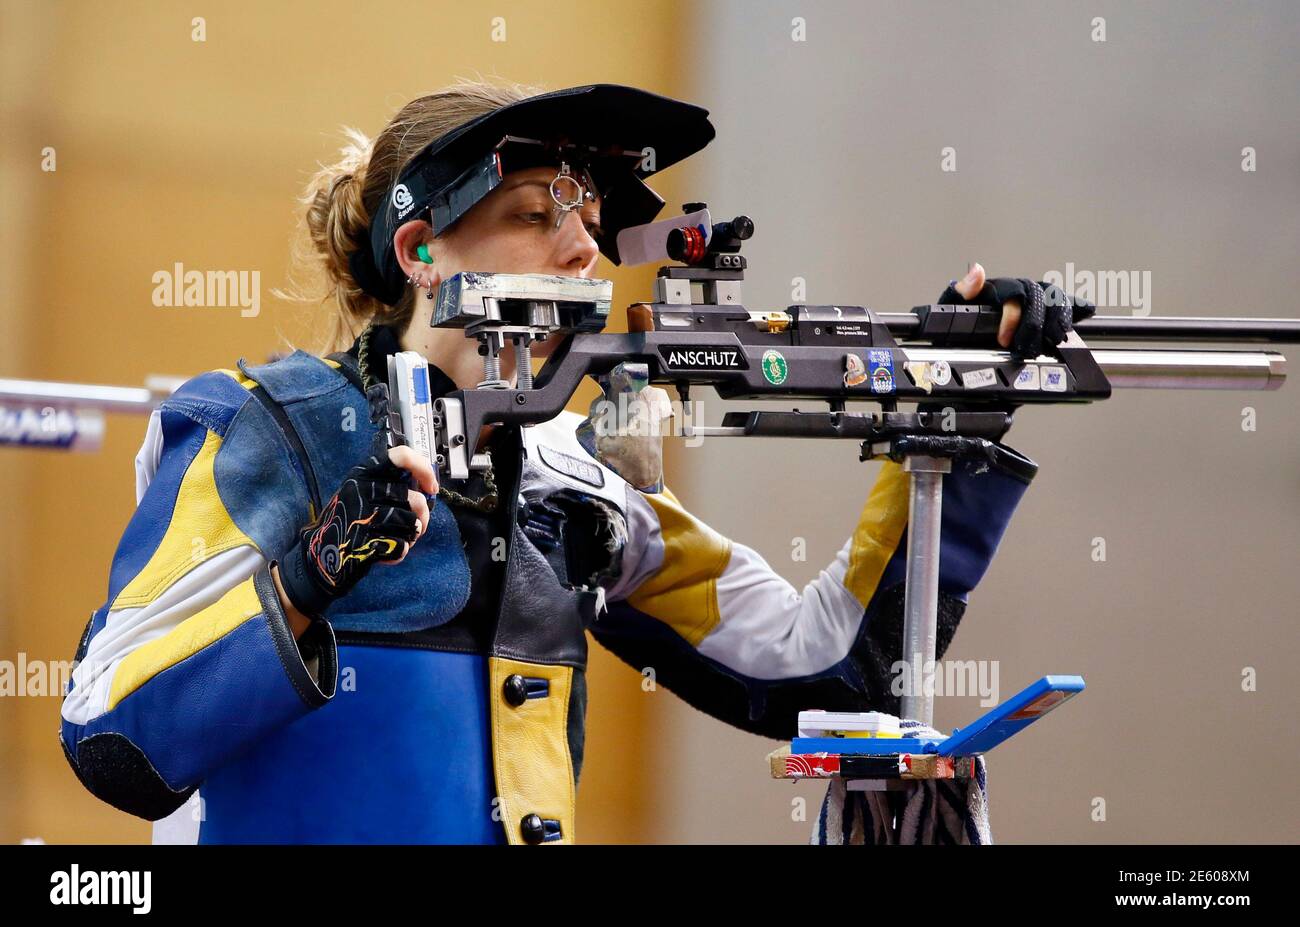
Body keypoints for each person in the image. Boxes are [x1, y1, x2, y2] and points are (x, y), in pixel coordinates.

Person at [58, 79, 1086, 844]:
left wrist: (962, 401)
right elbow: (114, 735)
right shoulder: (260, 427)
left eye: (587, 216)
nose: (580, 246)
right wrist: (306, 581)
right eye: (534, 213)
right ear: (421, 251)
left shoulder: (570, 474)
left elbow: (826, 668)